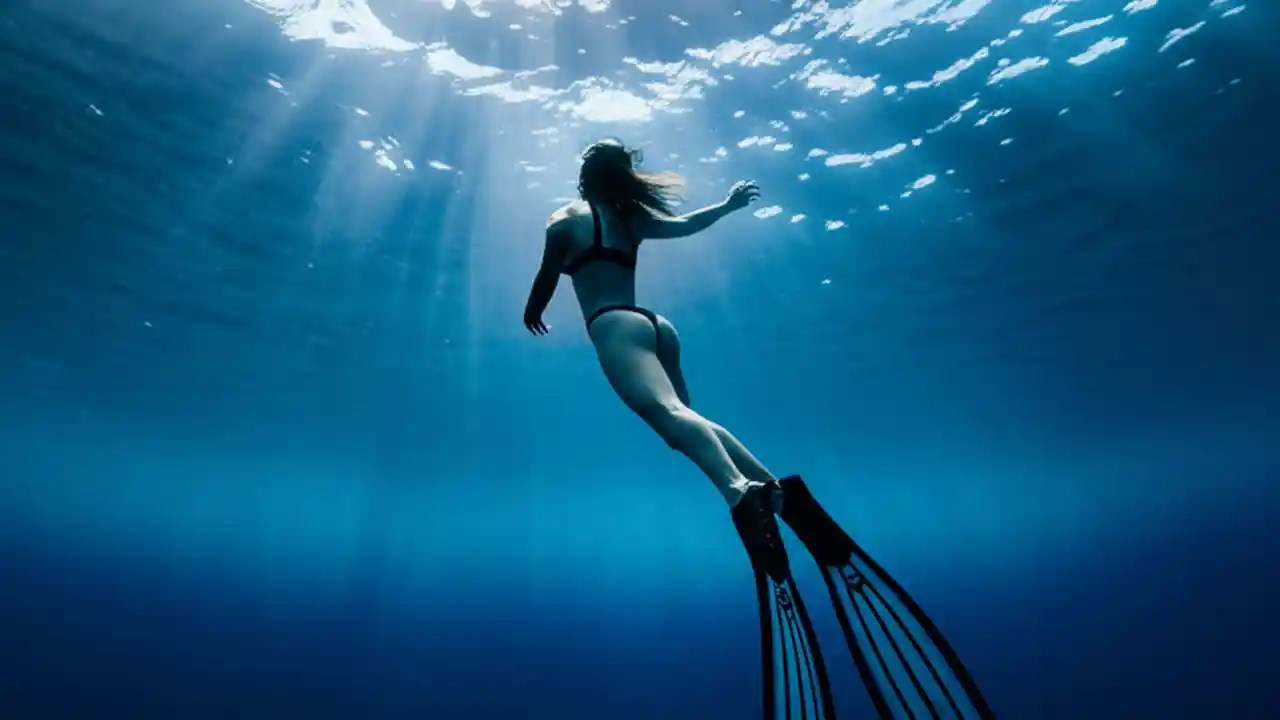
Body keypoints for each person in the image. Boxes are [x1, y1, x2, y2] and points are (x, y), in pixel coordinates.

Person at [522, 138, 778, 510]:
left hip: (614, 326)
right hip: (656, 327)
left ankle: (738, 488)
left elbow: (548, 274)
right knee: (684, 419)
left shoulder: (563, 221)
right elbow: (687, 224)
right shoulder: (631, 220)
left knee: (670, 416)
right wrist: (728, 205)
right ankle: (769, 483)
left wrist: (533, 310)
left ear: (584, 175)